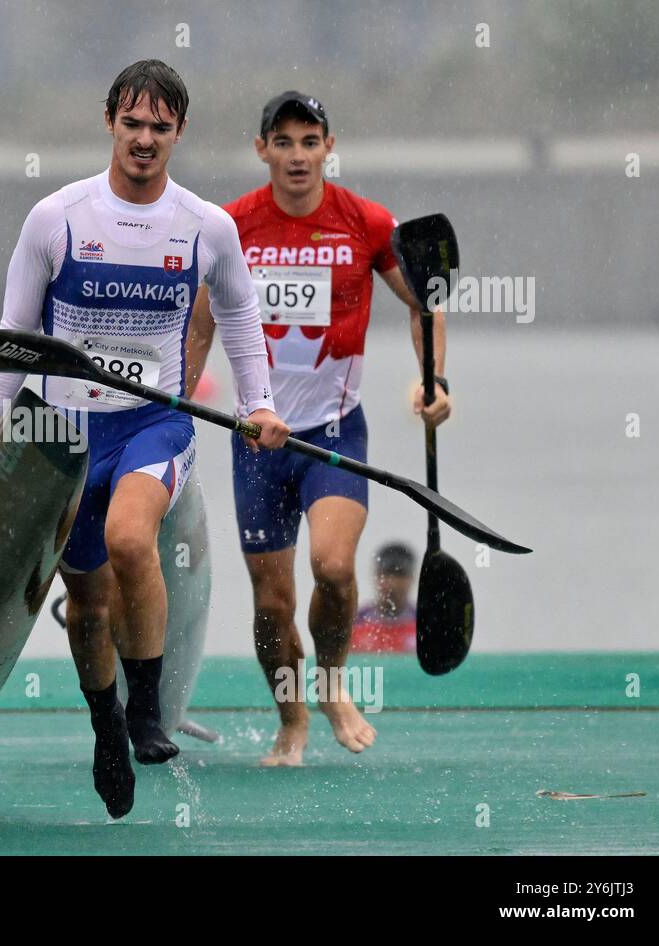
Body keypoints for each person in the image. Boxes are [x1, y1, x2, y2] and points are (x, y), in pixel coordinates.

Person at [0, 60, 289, 818]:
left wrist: (262, 404)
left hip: (155, 421)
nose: (145, 140)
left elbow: (240, 319)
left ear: (179, 132)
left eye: (161, 127)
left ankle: (145, 710)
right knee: (84, 598)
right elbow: (13, 338)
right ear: (110, 120)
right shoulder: (58, 219)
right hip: (66, 431)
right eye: (133, 124)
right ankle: (105, 723)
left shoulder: (207, 226)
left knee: (131, 541)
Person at [188, 91, 452, 766]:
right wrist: (175, 407)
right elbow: (199, 326)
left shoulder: (364, 222)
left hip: (333, 434)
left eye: (311, 142)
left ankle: (332, 685)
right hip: (255, 441)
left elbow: (425, 304)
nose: (298, 156)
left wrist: (434, 381)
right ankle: (292, 720)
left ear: (328, 147)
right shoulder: (231, 227)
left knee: (333, 569)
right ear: (262, 150)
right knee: (273, 604)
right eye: (284, 142)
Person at [351, 542, 417, 653]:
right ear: (376, 576)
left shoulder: (425, 625)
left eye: (400, 575)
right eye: (387, 574)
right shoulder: (355, 623)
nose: (393, 583)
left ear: (412, 578)